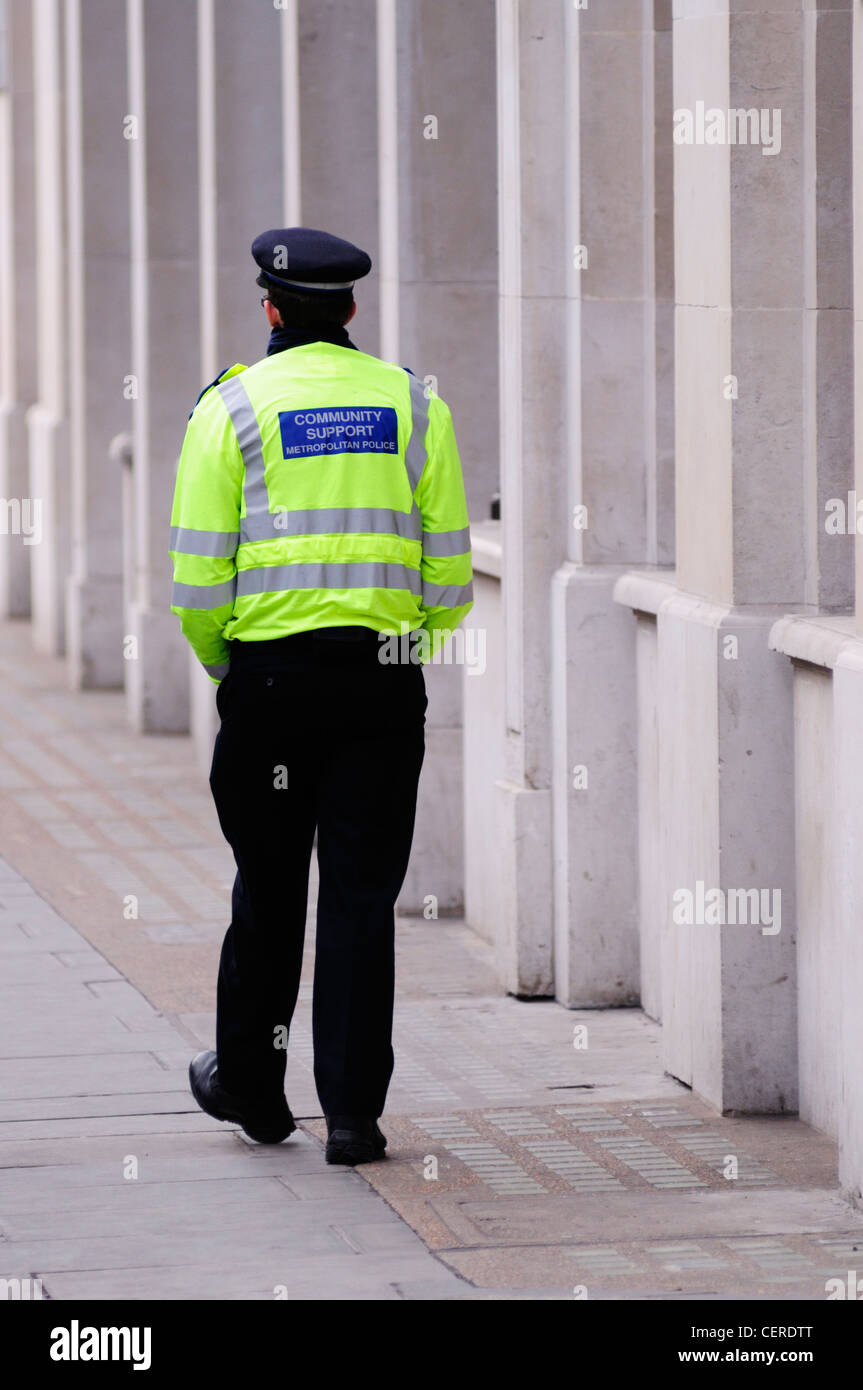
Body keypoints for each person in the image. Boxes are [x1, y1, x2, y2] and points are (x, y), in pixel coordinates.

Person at [169, 227, 473, 1165]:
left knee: (267, 891)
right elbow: (451, 577)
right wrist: (404, 648)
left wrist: (230, 670)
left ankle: (253, 1090)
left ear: (269, 308)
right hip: (380, 684)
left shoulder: (231, 409)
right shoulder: (414, 403)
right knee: (358, 897)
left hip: (269, 686)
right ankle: (351, 1116)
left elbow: (195, 582)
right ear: (349, 310)